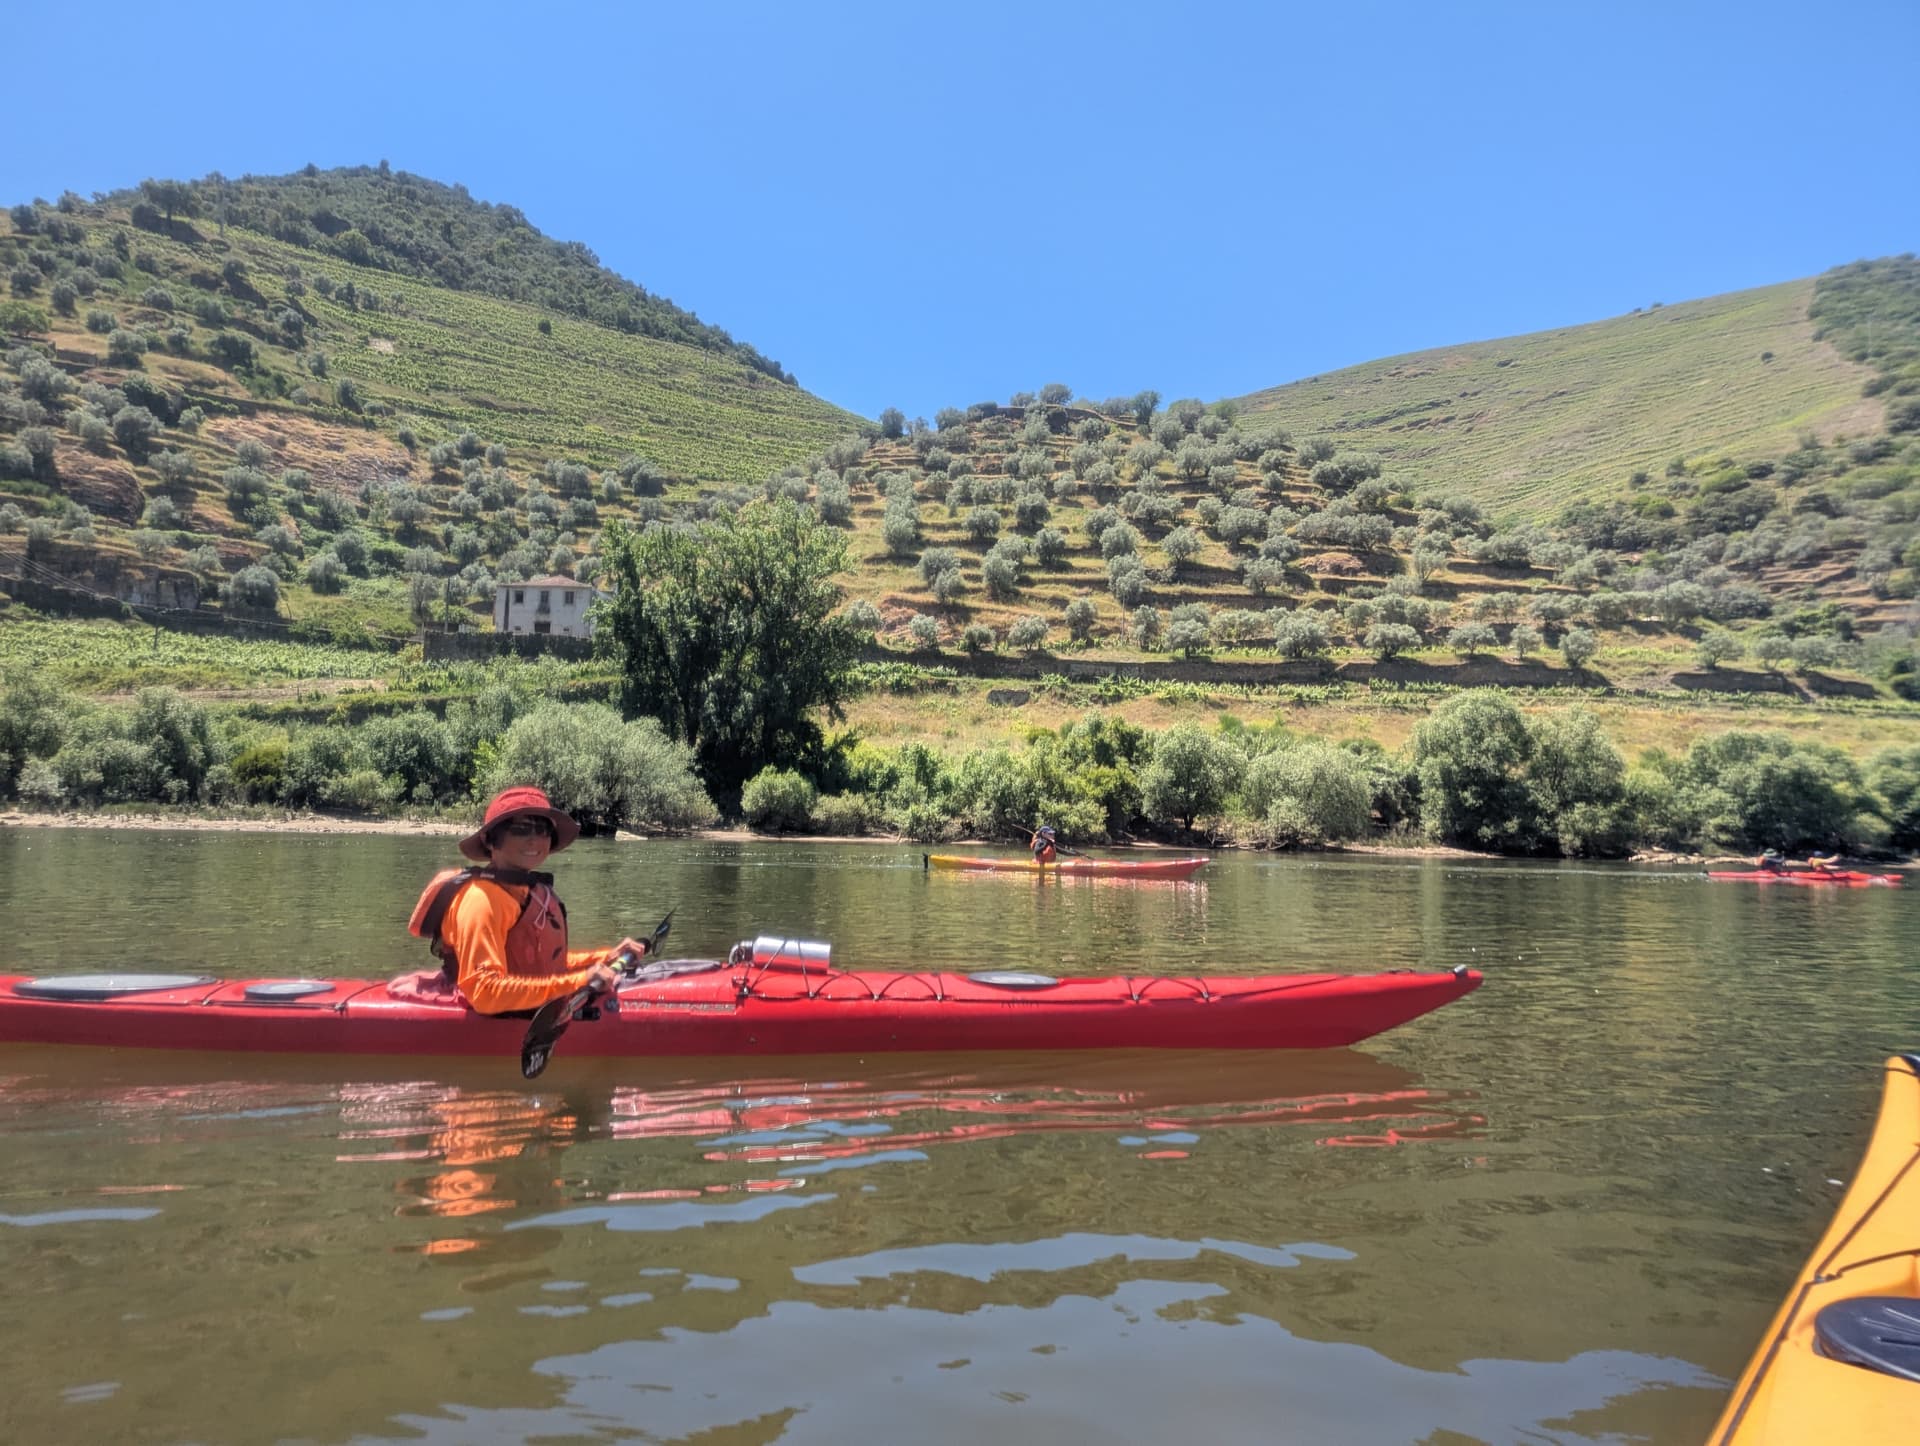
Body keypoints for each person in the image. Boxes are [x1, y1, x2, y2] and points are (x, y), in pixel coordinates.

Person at [407, 786, 655, 1015]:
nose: (534, 840)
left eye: (543, 830)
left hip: (526, 1007)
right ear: (490, 839)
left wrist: (603, 958)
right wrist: (580, 981)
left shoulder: (523, 890)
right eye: (521, 829)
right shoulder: (481, 900)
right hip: (493, 1018)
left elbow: (538, 963)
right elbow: (485, 993)